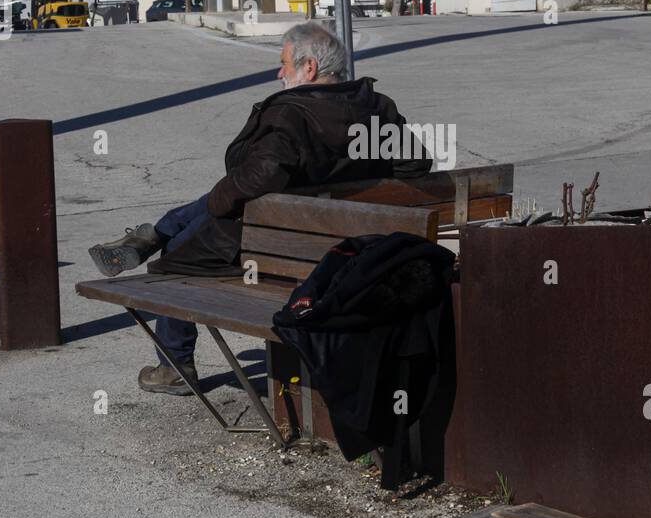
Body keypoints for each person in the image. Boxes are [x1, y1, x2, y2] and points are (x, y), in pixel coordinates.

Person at [88, 22, 432, 395]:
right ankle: (154, 234)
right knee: (221, 206)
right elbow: (415, 165)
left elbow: (257, 179)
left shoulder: (293, 114)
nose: (279, 72)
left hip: (280, 247)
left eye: (284, 63)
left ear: (310, 68)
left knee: (176, 253)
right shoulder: (375, 107)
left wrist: (222, 200)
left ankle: (174, 363)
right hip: (350, 241)